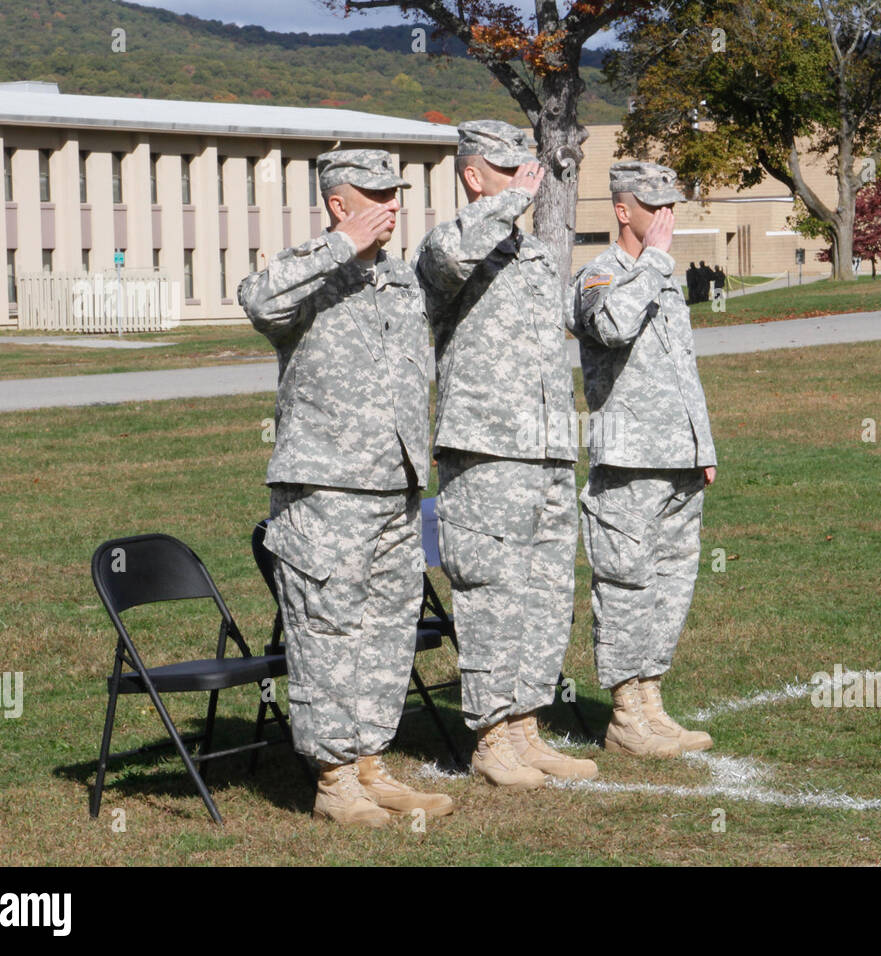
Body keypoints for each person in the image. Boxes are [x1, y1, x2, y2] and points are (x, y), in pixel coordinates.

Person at [238, 148, 452, 827]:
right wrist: (338, 248)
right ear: (340, 203)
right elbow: (257, 299)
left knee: (386, 628)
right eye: (377, 194)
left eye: (397, 192)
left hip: (397, 486)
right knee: (327, 631)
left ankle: (369, 764)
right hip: (326, 488)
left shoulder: (399, 280)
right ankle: (333, 780)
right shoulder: (306, 273)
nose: (393, 204)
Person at [413, 120, 596, 789]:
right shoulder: (449, 242)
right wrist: (506, 202)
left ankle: (525, 726)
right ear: (473, 173)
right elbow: (450, 259)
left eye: (529, 170)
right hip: (485, 447)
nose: (527, 180)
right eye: (510, 168)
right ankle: (491, 738)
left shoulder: (536, 254)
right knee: (492, 591)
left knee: (546, 594)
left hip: (547, 446)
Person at [567, 160, 718, 757]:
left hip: (678, 458)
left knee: (672, 583)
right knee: (627, 584)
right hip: (629, 462)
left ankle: (652, 701)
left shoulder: (664, 278)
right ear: (622, 210)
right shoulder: (598, 277)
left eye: (672, 206)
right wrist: (653, 261)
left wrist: (702, 446)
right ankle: (626, 713)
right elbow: (610, 328)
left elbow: (682, 369)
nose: (666, 218)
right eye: (654, 206)